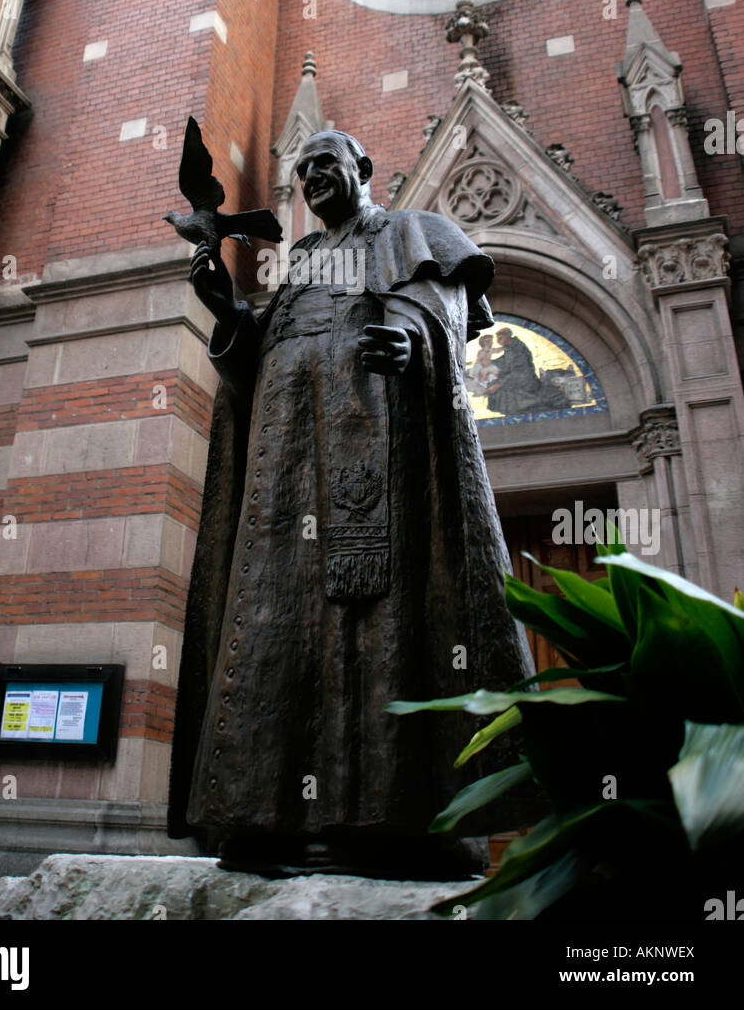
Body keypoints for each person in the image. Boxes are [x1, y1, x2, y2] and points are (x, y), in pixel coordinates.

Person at [167, 129, 534, 876]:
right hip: (286, 481)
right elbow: (258, 359)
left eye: (325, 164)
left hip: (377, 469)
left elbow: (444, 310)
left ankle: (385, 821)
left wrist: (410, 342)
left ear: (364, 168)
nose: (312, 179)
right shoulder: (302, 262)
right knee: (270, 627)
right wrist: (228, 312)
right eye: (302, 171)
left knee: (376, 632)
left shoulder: (410, 232)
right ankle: (262, 815)